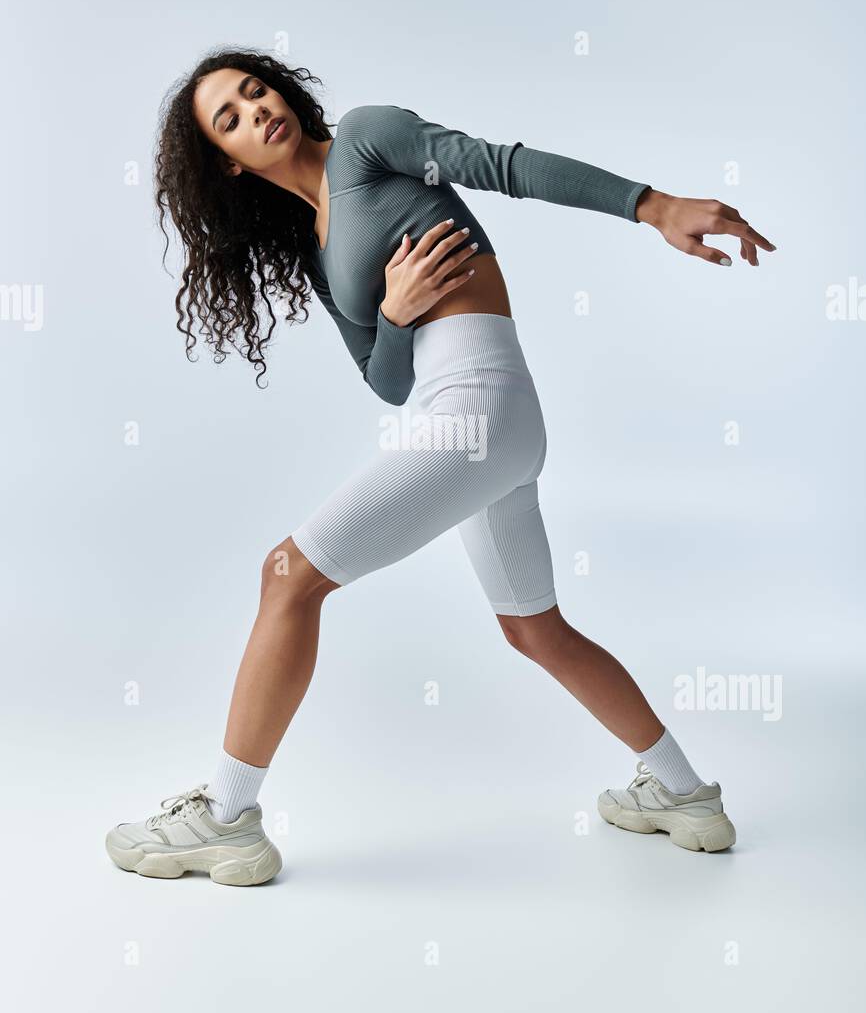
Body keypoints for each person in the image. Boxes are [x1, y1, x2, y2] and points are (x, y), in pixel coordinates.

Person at [105, 49, 776, 884]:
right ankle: (684, 795)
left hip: (479, 410)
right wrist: (393, 310)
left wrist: (653, 206)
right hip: (471, 421)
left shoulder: (365, 140)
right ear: (228, 164)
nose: (256, 110)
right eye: (230, 119)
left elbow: (504, 167)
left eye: (255, 90)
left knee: (287, 577)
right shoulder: (318, 247)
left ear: (283, 91)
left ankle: (227, 816)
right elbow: (387, 382)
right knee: (534, 628)